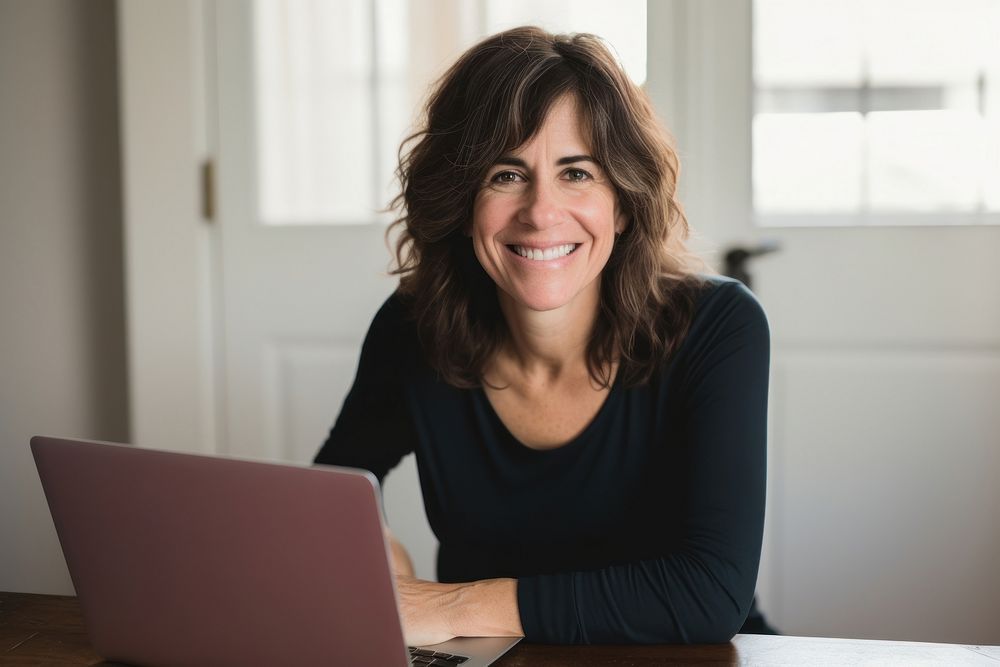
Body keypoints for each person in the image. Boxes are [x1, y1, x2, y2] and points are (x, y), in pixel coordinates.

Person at [315, 26, 770, 646]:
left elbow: (708, 595)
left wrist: (452, 607)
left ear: (623, 202)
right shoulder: (414, 325)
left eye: (576, 172)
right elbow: (331, 496)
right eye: (506, 174)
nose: (540, 212)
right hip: (492, 659)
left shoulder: (717, 326)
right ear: (462, 201)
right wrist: (381, 561)